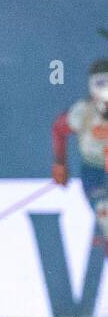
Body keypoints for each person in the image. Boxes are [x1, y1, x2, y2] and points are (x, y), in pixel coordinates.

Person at [52, 58, 108, 248]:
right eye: (101, 83)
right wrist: (60, 163)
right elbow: (59, 128)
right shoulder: (83, 112)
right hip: (94, 171)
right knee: (104, 210)